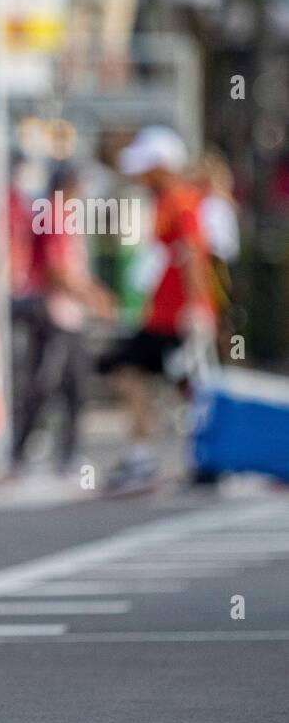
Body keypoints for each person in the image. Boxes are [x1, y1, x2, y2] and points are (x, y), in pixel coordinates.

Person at [96, 127, 215, 492]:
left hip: (178, 317)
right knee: (130, 369)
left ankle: (205, 457)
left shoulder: (181, 201)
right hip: (161, 316)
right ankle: (143, 453)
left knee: (192, 387)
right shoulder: (163, 200)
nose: (140, 175)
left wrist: (196, 308)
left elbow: (194, 253)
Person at [11, 163, 115, 474]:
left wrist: (93, 294)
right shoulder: (52, 215)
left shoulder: (68, 217)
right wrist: (91, 296)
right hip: (52, 312)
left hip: (70, 314)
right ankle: (22, 448)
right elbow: (56, 270)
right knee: (44, 382)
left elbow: (74, 268)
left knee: (74, 385)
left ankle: (68, 453)